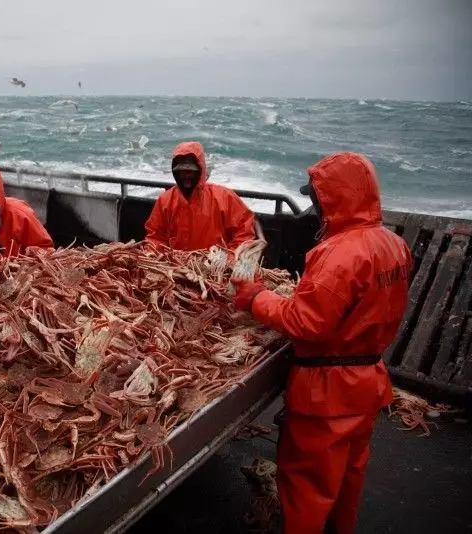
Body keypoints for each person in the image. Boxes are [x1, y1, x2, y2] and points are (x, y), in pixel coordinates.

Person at [232, 152, 411, 534]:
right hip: (367, 381)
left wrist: (255, 298)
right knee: (348, 477)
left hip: (326, 393)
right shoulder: (394, 245)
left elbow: (305, 321)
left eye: (317, 198)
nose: (315, 207)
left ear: (335, 198)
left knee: (307, 488)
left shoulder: (339, 253)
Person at [144, 141, 256, 251]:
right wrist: (153, 253)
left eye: (189, 172)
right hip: (175, 265)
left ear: (200, 171)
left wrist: (228, 259)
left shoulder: (224, 197)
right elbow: (155, 237)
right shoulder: (165, 200)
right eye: (180, 172)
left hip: (214, 265)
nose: (185, 177)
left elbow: (244, 231)